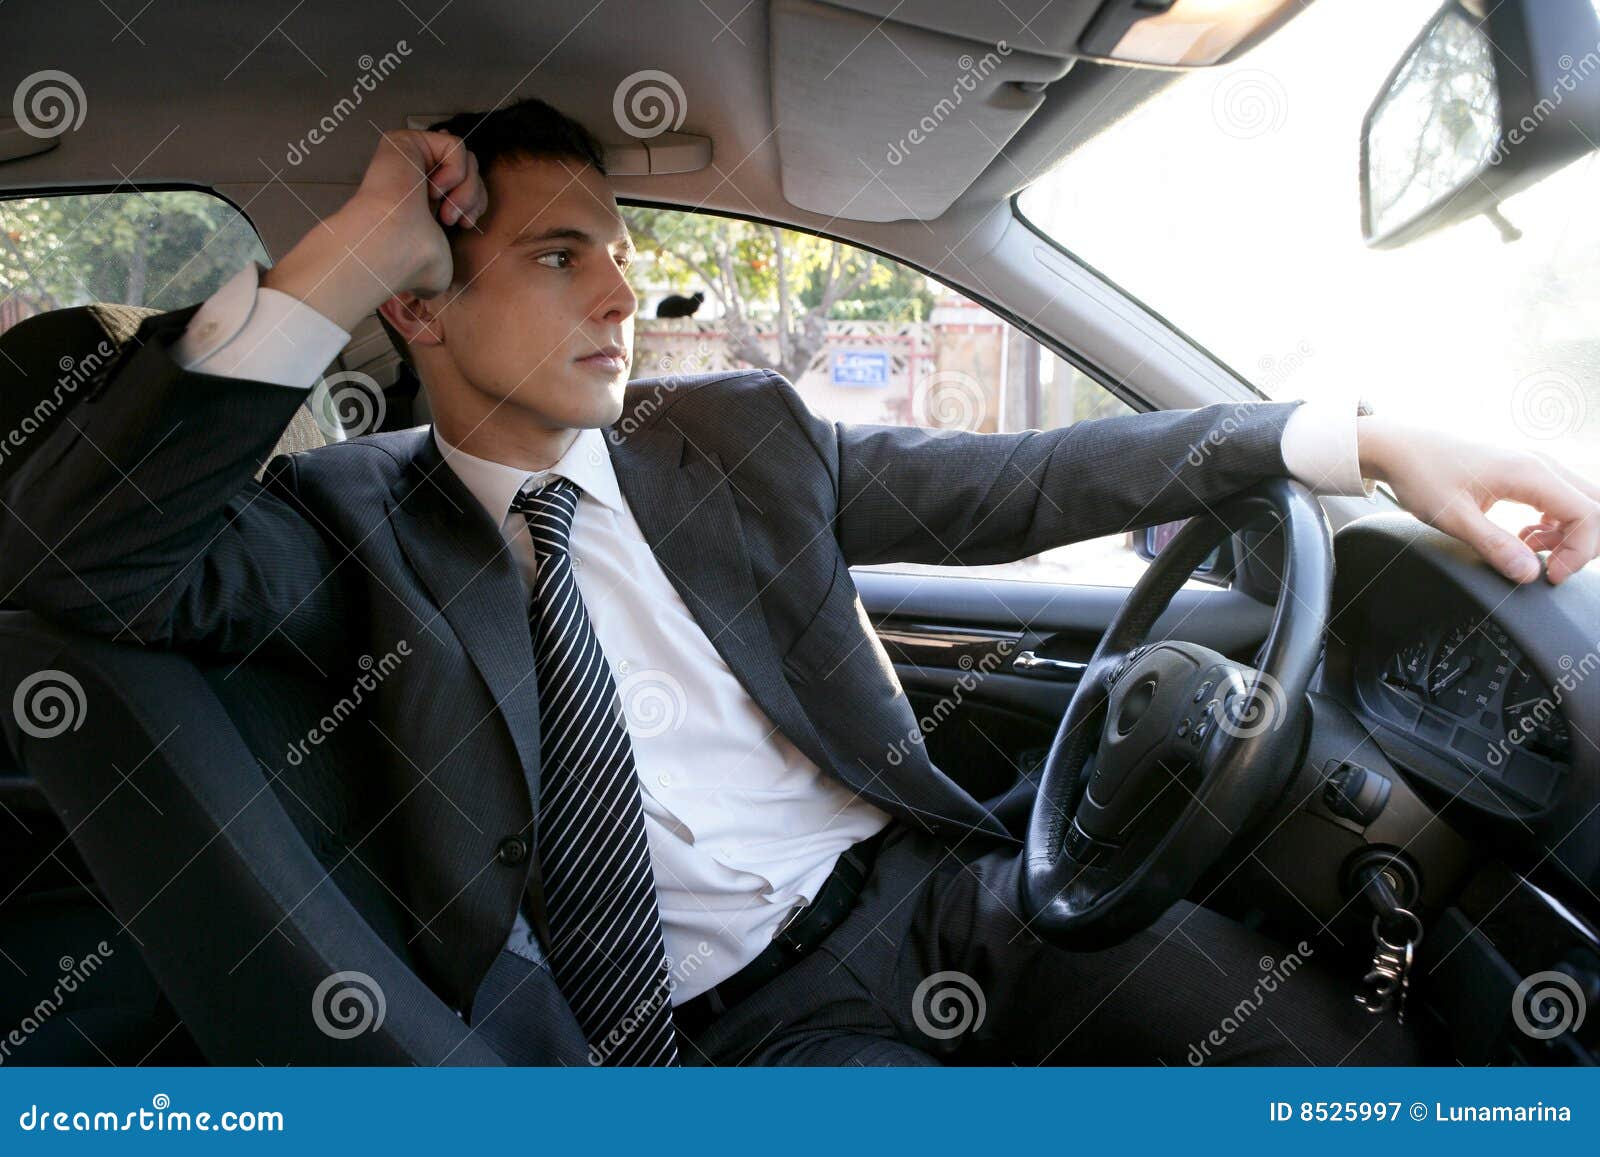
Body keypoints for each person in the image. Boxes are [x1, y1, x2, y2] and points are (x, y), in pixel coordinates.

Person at [2, 97, 1595, 1067]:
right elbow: (82, 562)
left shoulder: (739, 439)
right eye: (559, 255)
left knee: (1326, 1060)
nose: (623, 287)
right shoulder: (341, 524)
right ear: (421, 306)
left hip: (954, 898)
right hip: (743, 1029)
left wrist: (1358, 434)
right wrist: (352, 239)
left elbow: (1031, 487)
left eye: (619, 245)